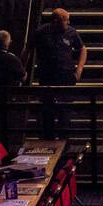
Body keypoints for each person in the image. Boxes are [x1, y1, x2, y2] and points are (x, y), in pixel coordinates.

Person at [32, 8, 86, 137]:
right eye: (66, 20)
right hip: (47, 76)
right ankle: (47, 141)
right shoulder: (41, 32)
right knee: (47, 111)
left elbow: (83, 48)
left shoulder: (71, 32)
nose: (68, 22)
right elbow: (28, 48)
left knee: (65, 111)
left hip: (66, 76)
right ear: (56, 21)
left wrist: (79, 70)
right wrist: (23, 70)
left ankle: (64, 142)